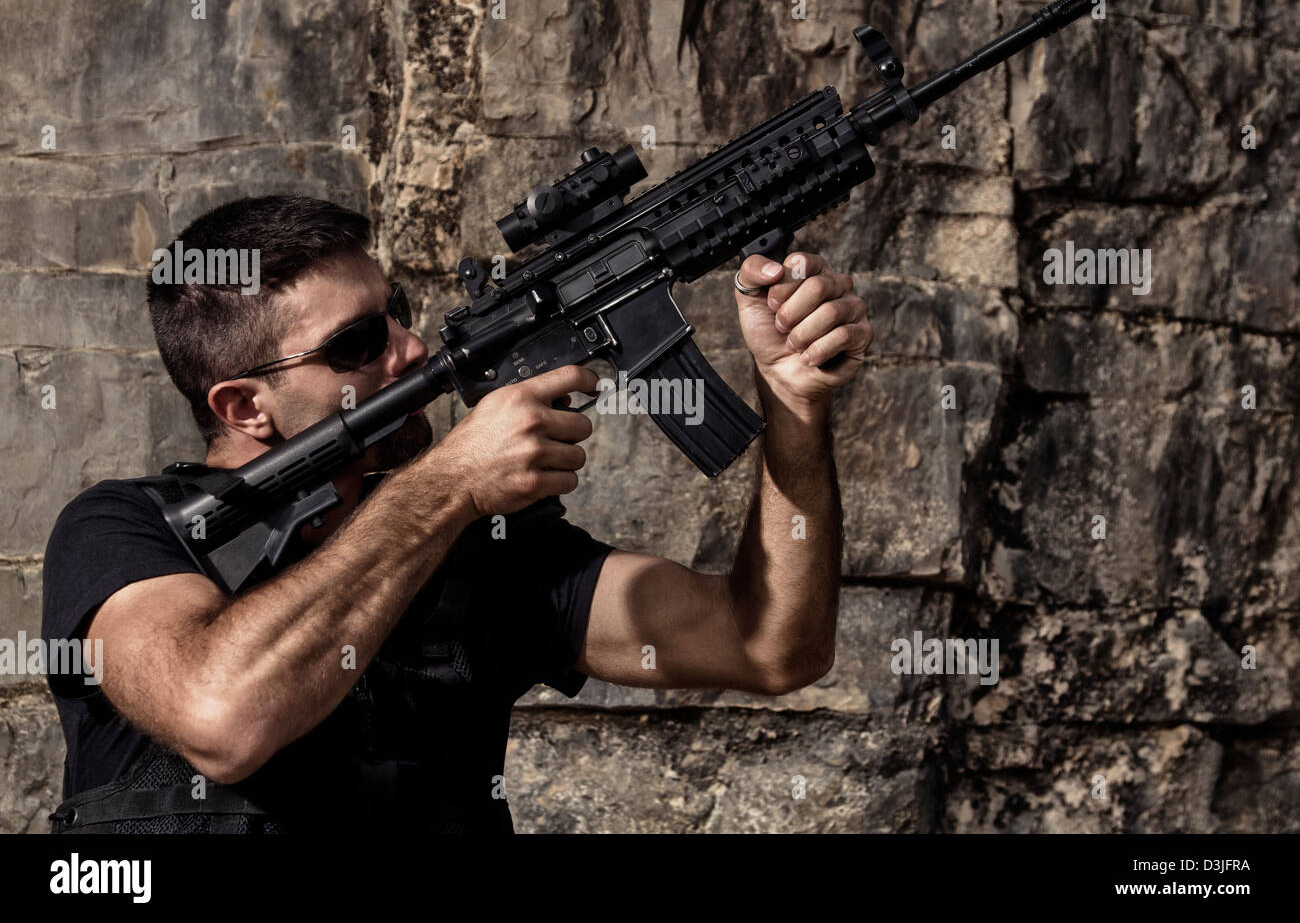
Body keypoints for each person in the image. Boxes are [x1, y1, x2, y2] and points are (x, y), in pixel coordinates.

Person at [41, 194, 872, 833]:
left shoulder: (486, 553)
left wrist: (795, 407)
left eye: (397, 311)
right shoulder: (127, 532)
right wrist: (446, 485)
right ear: (244, 406)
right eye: (357, 345)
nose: (407, 348)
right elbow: (222, 717)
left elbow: (772, 646)